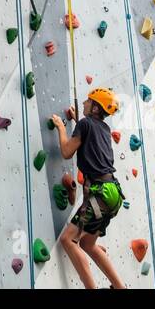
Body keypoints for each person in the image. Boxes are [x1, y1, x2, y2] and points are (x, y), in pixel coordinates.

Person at [50, 87, 127, 289]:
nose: (84, 102)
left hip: (99, 196)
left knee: (70, 240)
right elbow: (90, 142)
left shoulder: (85, 125)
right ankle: (120, 287)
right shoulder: (104, 129)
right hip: (113, 195)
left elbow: (67, 152)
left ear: (94, 108)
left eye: (88, 100)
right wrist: (77, 122)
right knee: (88, 244)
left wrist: (61, 127)